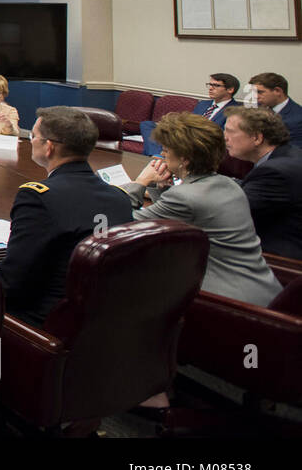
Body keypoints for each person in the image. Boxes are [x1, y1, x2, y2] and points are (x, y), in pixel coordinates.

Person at [123, 112, 282, 307]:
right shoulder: (228, 184)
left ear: (185, 159)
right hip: (265, 290)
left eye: (165, 149)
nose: (162, 154)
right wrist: (160, 188)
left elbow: (125, 224)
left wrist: (140, 182)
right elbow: (174, 216)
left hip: (227, 302)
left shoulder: (185, 197)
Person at [0, 107, 133, 327]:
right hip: (105, 322)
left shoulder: (38, 198)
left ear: (48, 147)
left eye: (33, 136)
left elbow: (13, 282)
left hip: (44, 325)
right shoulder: (120, 198)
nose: (31, 141)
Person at [223, 107, 302, 260]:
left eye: (229, 131)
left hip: (281, 260)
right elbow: (249, 187)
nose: (224, 137)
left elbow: (230, 213)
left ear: (257, 138)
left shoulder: (274, 172)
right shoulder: (288, 154)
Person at [141, 73, 240, 155]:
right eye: (210, 85)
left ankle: (160, 156)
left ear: (230, 90)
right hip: (185, 134)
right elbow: (189, 120)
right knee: (147, 125)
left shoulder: (235, 110)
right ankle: (158, 155)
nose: (210, 88)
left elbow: (222, 135)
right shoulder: (203, 104)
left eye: (216, 86)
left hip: (202, 141)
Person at [249, 72, 302, 143]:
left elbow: (293, 151)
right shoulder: (256, 108)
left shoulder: (297, 119)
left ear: (277, 91)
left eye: (260, 92)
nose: (255, 97)